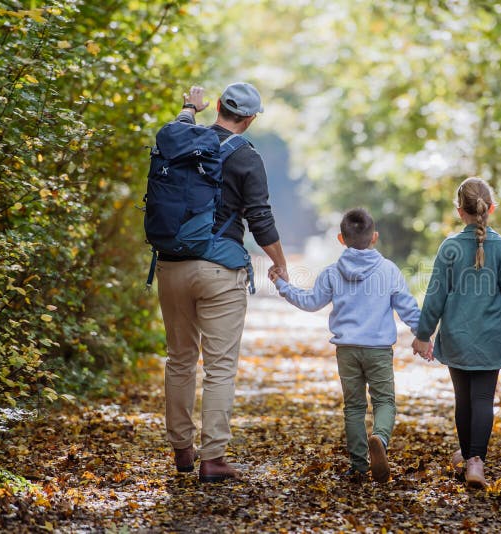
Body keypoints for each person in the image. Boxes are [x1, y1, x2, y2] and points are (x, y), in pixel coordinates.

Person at [157, 84, 288, 482]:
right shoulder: (246, 157)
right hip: (220, 271)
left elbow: (173, 131)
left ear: (217, 107)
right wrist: (279, 263)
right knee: (219, 367)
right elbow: (260, 218)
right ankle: (212, 459)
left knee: (180, 359)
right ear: (249, 120)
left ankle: (182, 450)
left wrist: (187, 108)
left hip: (172, 265)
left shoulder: (184, 140)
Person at [268, 208, 420, 483]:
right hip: (378, 350)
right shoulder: (388, 270)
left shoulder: (332, 272)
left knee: (353, 407)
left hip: (347, 350)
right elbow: (408, 309)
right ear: (374, 237)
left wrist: (283, 285)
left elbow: (310, 302)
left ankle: (359, 466)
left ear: (341, 238)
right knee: (384, 401)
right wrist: (425, 335)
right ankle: (380, 439)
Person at [412, 177, 501, 489]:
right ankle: (475, 462)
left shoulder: (450, 247)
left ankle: (468, 457)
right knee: (483, 397)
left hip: (458, 335)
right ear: (491, 208)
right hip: (493, 338)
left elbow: (435, 295)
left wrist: (424, 334)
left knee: (463, 399)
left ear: (459, 211)